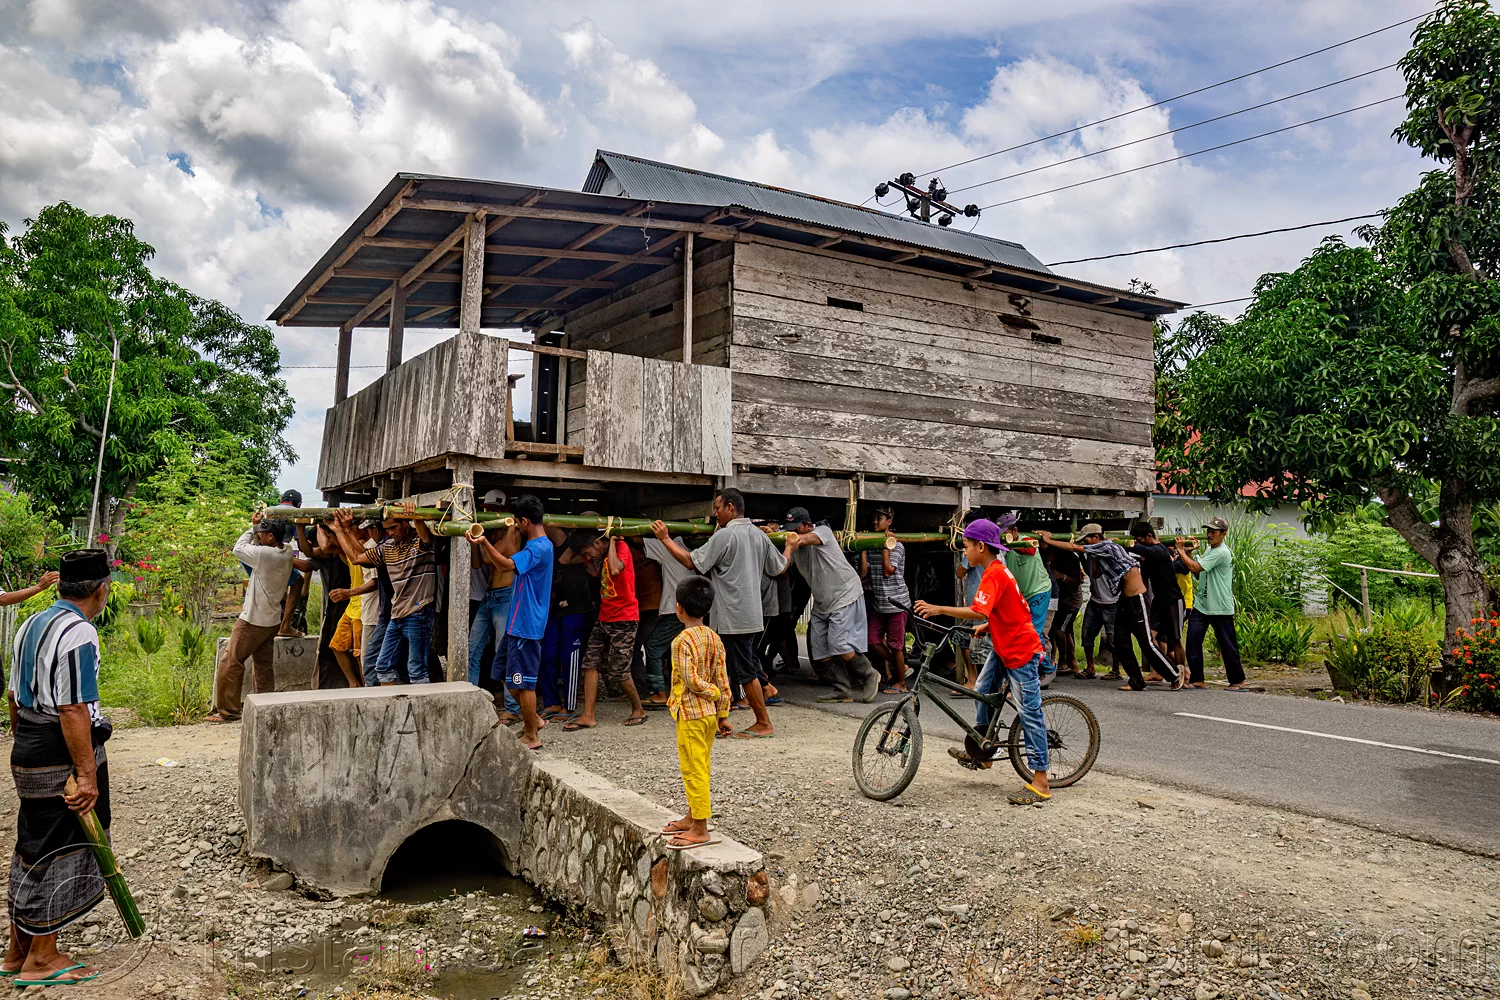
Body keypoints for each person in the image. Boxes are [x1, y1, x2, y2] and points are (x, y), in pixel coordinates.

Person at [4, 549, 114, 986]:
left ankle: (17, 951)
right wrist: (86, 774)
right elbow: (72, 708)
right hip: (59, 746)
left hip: (29, 742)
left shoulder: (31, 623)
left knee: (32, 842)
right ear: (101, 589)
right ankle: (43, 959)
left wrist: (24, 740)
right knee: (61, 844)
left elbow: (14, 696)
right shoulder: (79, 633)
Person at [914, 519, 1051, 805]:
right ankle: (982, 750)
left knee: (1029, 712)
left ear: (980, 546)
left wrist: (938, 608)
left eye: (966, 546)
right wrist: (989, 626)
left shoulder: (995, 574)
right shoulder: (997, 570)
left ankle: (1040, 781)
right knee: (983, 692)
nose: (965, 552)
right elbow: (1011, 607)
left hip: (1020, 650)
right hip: (1003, 644)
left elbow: (979, 609)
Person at [650, 489, 781, 739]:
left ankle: (763, 722)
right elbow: (779, 568)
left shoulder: (727, 535)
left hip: (733, 615)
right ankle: (758, 698)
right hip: (751, 613)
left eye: (717, 508)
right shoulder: (757, 534)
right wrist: (791, 547)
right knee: (747, 664)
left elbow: (692, 562)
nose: (715, 513)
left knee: (744, 671)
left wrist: (666, 539)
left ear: (730, 508)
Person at [1039, 526, 1183, 691]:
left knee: (1146, 641)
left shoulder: (1107, 545)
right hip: (1123, 599)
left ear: (1095, 537)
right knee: (1120, 641)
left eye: (1086, 539)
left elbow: (1074, 547)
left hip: (1137, 598)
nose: (1084, 542)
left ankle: (1174, 674)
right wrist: (1091, 556)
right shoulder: (1100, 552)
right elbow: (1095, 573)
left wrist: (1048, 540)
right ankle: (1136, 681)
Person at [208, 513, 313, 721]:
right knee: (264, 666)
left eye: (262, 534)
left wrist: (251, 526)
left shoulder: (264, 555)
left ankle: (228, 711)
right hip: (272, 620)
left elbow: (238, 548)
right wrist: (259, 530)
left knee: (230, 663)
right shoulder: (287, 551)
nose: (259, 536)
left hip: (252, 619)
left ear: (271, 537)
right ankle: (266, 705)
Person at [780, 508, 881, 705]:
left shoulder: (822, 532)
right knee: (819, 648)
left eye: (797, 528)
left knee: (839, 643)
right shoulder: (795, 545)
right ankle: (842, 689)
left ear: (808, 525)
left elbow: (804, 540)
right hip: (822, 600)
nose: (794, 533)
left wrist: (793, 541)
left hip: (844, 593)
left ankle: (869, 674)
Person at [660, 575, 731, 850]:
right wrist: (723, 712)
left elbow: (690, 680)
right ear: (708, 608)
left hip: (690, 713)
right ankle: (693, 816)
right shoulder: (715, 639)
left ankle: (700, 827)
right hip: (709, 716)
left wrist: (711, 693)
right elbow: (723, 678)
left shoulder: (681, 641)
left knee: (693, 768)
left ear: (678, 608)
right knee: (700, 765)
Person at [334, 504, 437, 686]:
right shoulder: (387, 547)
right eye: (387, 529)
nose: (391, 533)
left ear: (406, 523)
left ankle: (421, 712)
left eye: (394, 527)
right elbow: (357, 558)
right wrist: (342, 530)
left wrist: (415, 515)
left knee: (416, 670)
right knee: (382, 667)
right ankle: (393, 708)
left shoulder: (419, 543)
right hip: (396, 614)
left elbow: (426, 537)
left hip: (418, 611)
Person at [483, 496, 554, 750]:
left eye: (517, 523)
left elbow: (505, 564)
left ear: (525, 521)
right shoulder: (535, 546)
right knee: (502, 673)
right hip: (517, 624)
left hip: (527, 625)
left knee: (523, 682)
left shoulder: (538, 548)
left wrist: (482, 541)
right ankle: (532, 718)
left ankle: (532, 734)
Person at [567, 534, 647, 730]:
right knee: (590, 663)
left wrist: (611, 541)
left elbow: (615, 569)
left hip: (624, 617)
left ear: (596, 543)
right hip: (605, 616)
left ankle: (639, 709)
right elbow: (566, 560)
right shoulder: (600, 556)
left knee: (619, 670)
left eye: (589, 552)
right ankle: (588, 714)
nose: (589, 556)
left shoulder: (620, 547)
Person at [1176, 517, 1245, 691]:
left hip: (1220, 606)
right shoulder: (1209, 550)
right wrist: (1189, 553)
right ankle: (1198, 679)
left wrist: (1180, 551)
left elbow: (1195, 568)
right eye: (1208, 531)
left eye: (1214, 531)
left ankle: (1238, 681)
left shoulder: (1221, 552)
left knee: (1227, 645)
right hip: (1203, 605)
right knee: (1192, 641)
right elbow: (1200, 573)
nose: (1209, 534)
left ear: (1223, 534)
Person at [538, 531, 599, 722]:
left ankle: (569, 705)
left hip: (577, 609)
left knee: (570, 656)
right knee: (547, 653)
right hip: (556, 610)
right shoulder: (549, 548)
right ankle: (551, 702)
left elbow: (592, 571)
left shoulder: (575, 547)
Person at [996, 514, 1057, 688]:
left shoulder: (1027, 540)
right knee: (1019, 633)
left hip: (1039, 591)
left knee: (1033, 634)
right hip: (1022, 595)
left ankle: (1047, 667)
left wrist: (1010, 544)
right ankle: (1030, 670)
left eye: (1005, 533)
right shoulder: (1002, 548)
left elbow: (1028, 549)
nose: (1003, 537)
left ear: (1015, 530)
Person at [297, 522, 355, 689]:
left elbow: (322, 548)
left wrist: (319, 525)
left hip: (347, 605)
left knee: (350, 649)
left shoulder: (340, 550)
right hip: (334, 607)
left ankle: (354, 683)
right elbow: (308, 553)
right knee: (334, 647)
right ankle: (348, 684)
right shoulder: (328, 554)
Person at [642, 531, 697, 709]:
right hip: (694, 608)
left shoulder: (670, 546)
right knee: (680, 651)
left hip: (676, 609)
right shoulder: (704, 551)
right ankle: (681, 691)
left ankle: (659, 692)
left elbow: (638, 540)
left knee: (654, 647)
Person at [860, 507, 911, 694]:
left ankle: (902, 684)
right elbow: (864, 573)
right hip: (879, 603)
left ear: (889, 521)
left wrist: (885, 546)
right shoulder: (874, 544)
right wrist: (864, 549)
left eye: (879, 518)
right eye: (873, 518)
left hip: (897, 603)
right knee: (872, 640)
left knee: (896, 645)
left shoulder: (896, 545)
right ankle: (900, 668)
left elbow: (888, 570)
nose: (875, 521)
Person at [1127, 522, 1184, 680]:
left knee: (1175, 640)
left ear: (1150, 536)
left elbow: (1141, 549)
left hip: (1173, 601)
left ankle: (1183, 675)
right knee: (1149, 637)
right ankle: (1161, 670)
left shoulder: (1160, 550)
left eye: (1140, 540)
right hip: (1158, 600)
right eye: (1135, 540)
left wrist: (1124, 544)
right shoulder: (1148, 555)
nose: (1138, 543)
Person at [469, 521, 522, 688]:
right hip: (489, 595)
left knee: (503, 650)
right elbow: (478, 563)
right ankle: (471, 696)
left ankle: (511, 708)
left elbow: (500, 555)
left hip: (505, 595)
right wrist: (474, 543)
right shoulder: (492, 537)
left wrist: (507, 530)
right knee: (472, 648)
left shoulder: (514, 532)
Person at [1047, 538, 1086, 677]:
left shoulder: (1070, 558)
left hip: (1071, 600)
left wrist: (1061, 576)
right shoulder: (1051, 556)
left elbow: (1076, 582)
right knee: (1064, 630)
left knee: (1060, 630)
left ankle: (1063, 662)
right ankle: (1072, 664)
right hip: (1060, 599)